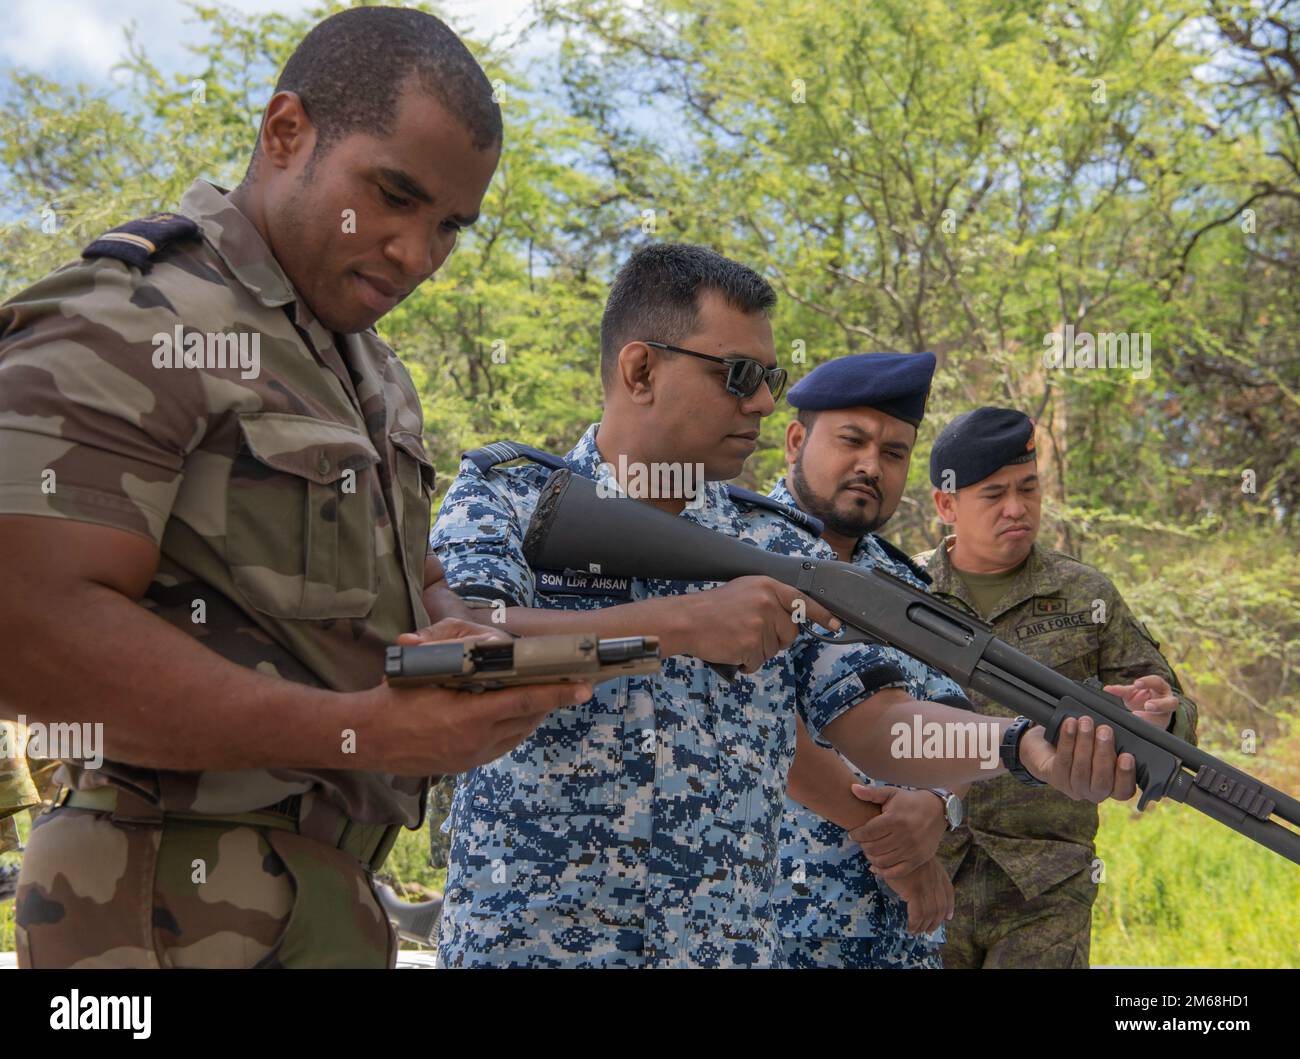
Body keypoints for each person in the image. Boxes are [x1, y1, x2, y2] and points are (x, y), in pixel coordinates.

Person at [0, 6, 585, 969]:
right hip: (143, 910)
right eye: (392, 196)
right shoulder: (137, 314)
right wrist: (363, 730)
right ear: (286, 134)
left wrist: (462, 645)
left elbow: (405, 586)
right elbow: (25, 629)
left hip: (328, 898)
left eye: (449, 227)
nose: (415, 253)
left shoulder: (370, 372)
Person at [427, 244, 1139, 968]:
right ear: (640, 369)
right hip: (529, 948)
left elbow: (880, 727)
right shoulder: (509, 496)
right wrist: (673, 626)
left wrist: (1021, 746)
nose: (764, 402)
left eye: (770, 378)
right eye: (737, 375)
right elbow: (461, 660)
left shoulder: (774, 544)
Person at [915, 406, 1199, 968]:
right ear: (947, 505)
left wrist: (1163, 717)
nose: (1017, 509)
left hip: (1045, 884)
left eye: (1028, 488)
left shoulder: (1084, 593)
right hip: (923, 875)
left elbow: (1172, 706)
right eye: (993, 495)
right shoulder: (905, 591)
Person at [768, 352, 966, 968]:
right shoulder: (736, 552)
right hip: (772, 933)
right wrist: (896, 851)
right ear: (796, 440)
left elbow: (952, 717)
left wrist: (939, 805)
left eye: (894, 453)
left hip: (900, 939)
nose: (870, 466)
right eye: (851, 440)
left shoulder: (906, 586)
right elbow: (756, 726)